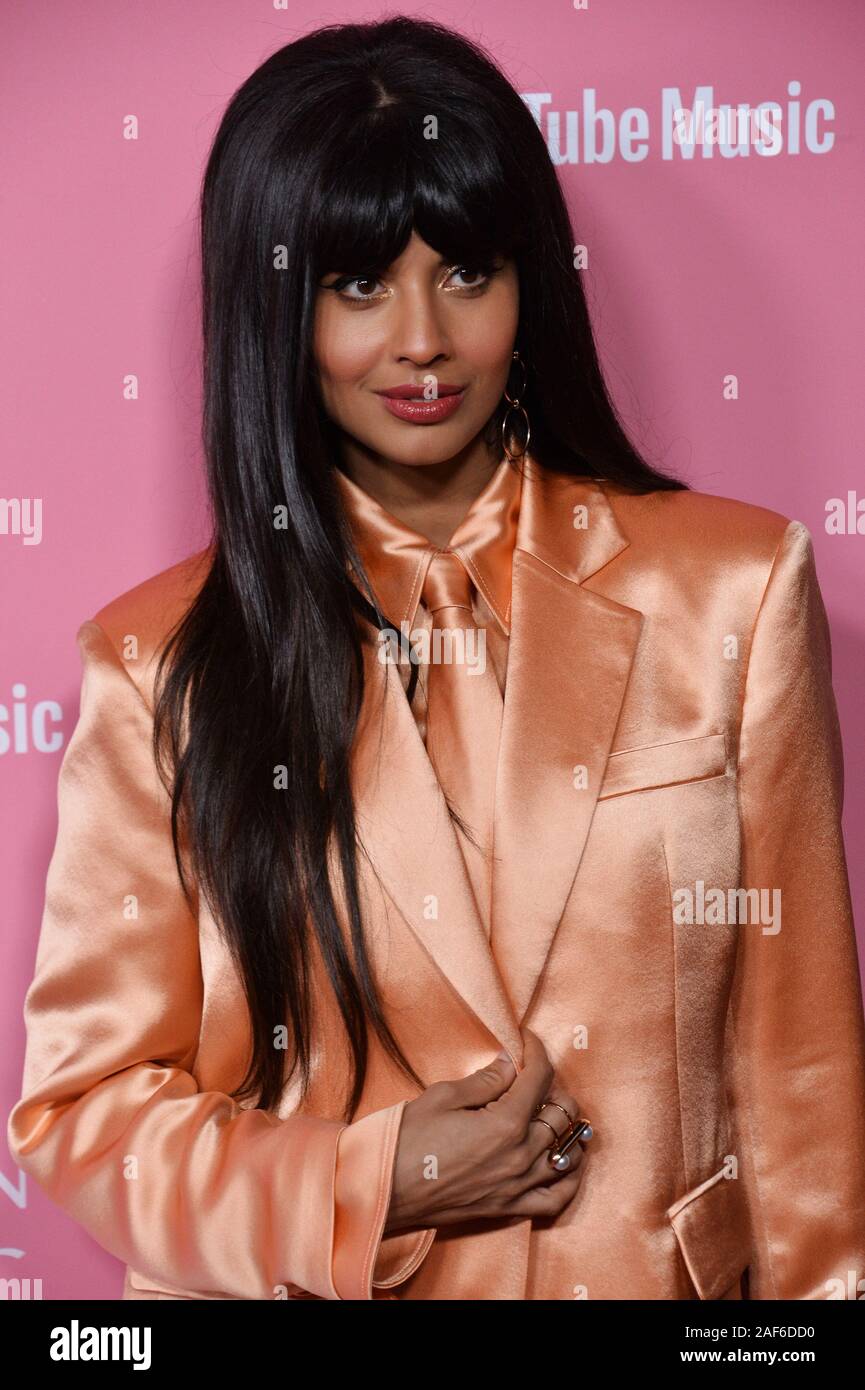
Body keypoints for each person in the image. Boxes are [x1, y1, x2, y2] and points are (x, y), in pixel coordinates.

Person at [8, 15, 865, 1302]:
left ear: (531, 284)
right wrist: (374, 1181)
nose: (423, 339)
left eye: (465, 270)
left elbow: (804, 1087)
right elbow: (84, 1115)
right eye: (358, 285)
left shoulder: (733, 592)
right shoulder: (157, 666)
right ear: (277, 307)